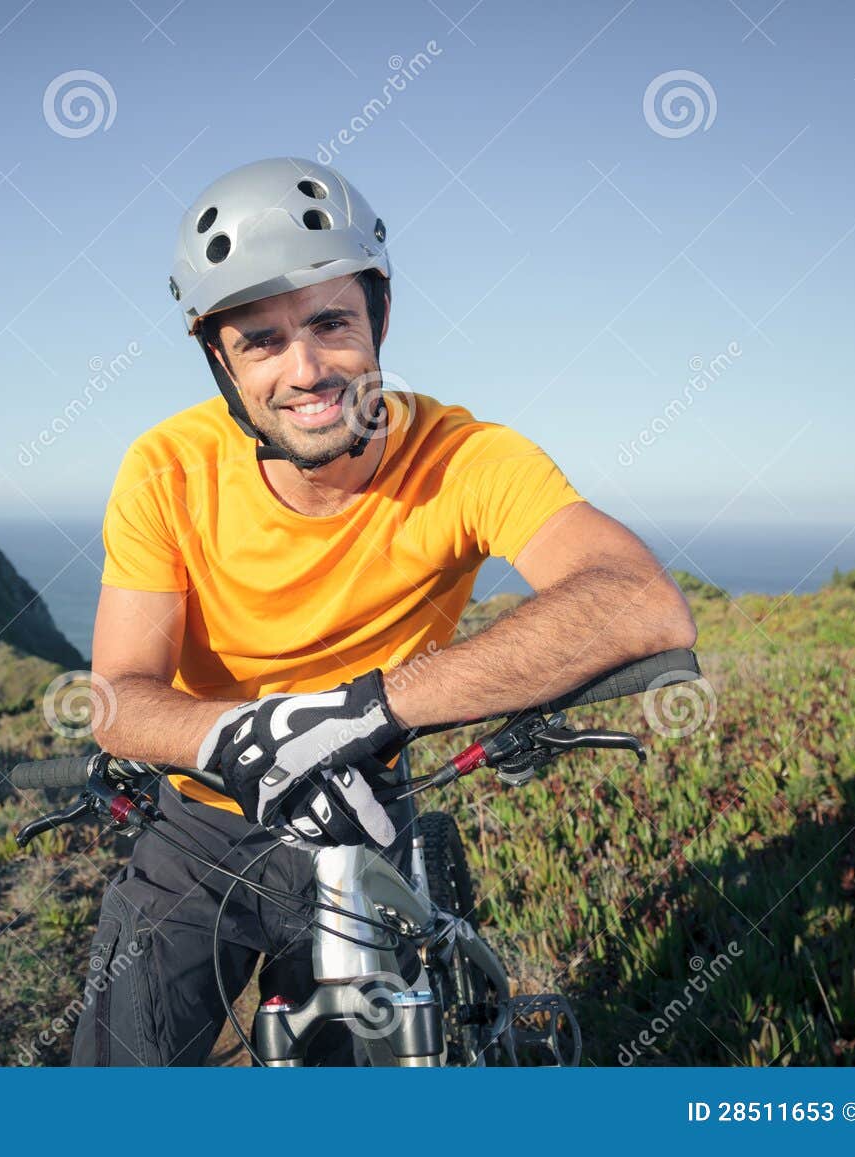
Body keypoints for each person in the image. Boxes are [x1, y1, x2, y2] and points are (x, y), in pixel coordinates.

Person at [68, 157, 696, 1066]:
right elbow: (119, 695)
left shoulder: (465, 457)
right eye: (261, 341)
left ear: (381, 319)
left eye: (332, 323)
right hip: (205, 817)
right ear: (219, 360)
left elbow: (638, 600)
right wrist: (244, 738)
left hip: (365, 804)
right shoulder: (165, 468)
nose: (308, 369)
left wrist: (366, 710)